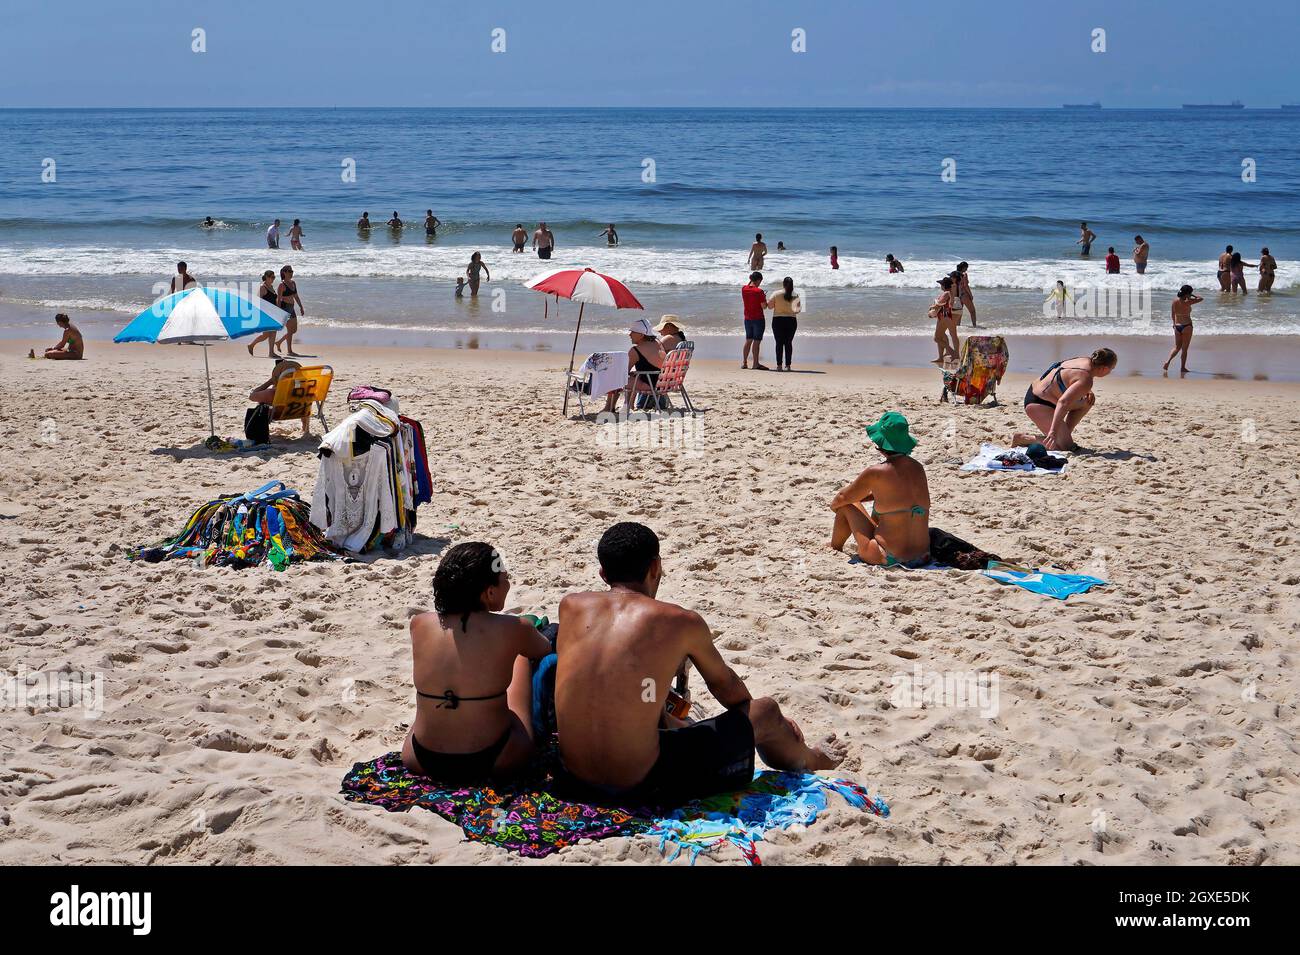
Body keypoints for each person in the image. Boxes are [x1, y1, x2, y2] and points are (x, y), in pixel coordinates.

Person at [554, 522, 843, 804]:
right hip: (640, 783)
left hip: (574, 776)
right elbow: (726, 689)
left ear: (603, 573)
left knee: (650, 701)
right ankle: (812, 758)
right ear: (655, 567)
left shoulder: (570, 606)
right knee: (766, 711)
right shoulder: (680, 621)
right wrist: (756, 720)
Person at [401, 542, 552, 782]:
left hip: (420, 756)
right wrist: (525, 629)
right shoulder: (513, 628)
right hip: (494, 757)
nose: (508, 584)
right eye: (505, 578)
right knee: (522, 656)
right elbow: (543, 648)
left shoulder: (419, 623)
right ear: (489, 592)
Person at [829, 412, 931, 568]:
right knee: (872, 507)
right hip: (923, 555)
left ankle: (834, 547)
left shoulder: (877, 472)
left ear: (880, 443)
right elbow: (898, 497)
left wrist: (836, 507)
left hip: (887, 556)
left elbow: (841, 498)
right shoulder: (918, 468)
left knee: (845, 506)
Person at [1014, 347, 1118, 453]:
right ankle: (1021, 438)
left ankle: (1064, 434)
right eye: (1111, 369)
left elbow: (1071, 378)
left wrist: (1088, 391)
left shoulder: (1085, 360)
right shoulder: (1086, 380)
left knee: (1087, 401)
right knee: (1062, 447)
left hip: (1044, 394)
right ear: (1104, 368)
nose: (1110, 372)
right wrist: (1053, 432)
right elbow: (1063, 402)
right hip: (1037, 402)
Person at [248, 358, 306, 436]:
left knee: (261, 404)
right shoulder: (304, 391)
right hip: (299, 411)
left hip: (278, 413)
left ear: (277, 377)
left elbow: (252, 396)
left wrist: (269, 382)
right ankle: (305, 427)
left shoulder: (272, 393)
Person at [1163, 285, 1202, 375]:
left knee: (1177, 347)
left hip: (1177, 326)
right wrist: (1193, 296)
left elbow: (1173, 314)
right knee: (1184, 349)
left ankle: (1167, 362)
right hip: (1187, 326)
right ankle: (1182, 367)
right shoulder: (1189, 302)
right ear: (1188, 293)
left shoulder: (1174, 301)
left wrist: (1173, 324)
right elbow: (1201, 298)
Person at [767, 275, 802, 371]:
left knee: (779, 343)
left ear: (783, 284)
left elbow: (769, 307)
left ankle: (779, 366)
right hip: (791, 320)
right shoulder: (795, 295)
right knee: (788, 343)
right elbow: (798, 310)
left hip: (778, 320)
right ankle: (788, 365)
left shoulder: (776, 293)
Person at [245, 270, 282, 357]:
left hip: (273, 313)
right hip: (265, 314)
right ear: (266, 277)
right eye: (271, 277)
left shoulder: (271, 287)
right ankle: (252, 345)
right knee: (266, 335)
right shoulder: (263, 287)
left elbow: (274, 300)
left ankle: (270, 352)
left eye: (274, 277)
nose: (273, 279)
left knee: (273, 332)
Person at [740, 271, 769, 370]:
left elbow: (749, 286)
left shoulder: (744, 289)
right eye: (760, 281)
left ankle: (744, 363)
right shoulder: (759, 292)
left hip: (747, 319)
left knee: (748, 340)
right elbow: (764, 306)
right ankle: (755, 364)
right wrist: (764, 297)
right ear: (759, 280)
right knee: (756, 342)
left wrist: (751, 280)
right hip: (758, 319)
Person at [275, 265, 305, 356]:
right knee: (290, 330)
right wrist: (279, 312)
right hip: (285, 308)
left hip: (292, 308)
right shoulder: (281, 285)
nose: (291, 273)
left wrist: (301, 307)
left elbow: (296, 296)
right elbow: (278, 299)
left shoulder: (293, 283)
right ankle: (289, 351)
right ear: (284, 273)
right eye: (289, 271)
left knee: (294, 330)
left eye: (292, 271)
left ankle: (279, 342)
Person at [930, 277, 960, 363]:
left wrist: (931, 307)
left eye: (941, 284)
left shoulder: (946, 293)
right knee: (946, 335)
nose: (940, 286)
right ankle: (942, 357)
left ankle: (953, 353)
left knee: (937, 338)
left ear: (943, 285)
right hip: (949, 316)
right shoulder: (951, 292)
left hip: (944, 316)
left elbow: (939, 304)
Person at [956, 261, 977, 327]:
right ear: (963, 267)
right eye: (966, 267)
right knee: (972, 311)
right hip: (964, 294)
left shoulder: (955, 274)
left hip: (958, 295)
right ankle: (974, 326)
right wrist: (970, 295)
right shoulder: (964, 274)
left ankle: (958, 327)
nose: (967, 269)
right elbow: (966, 286)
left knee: (959, 313)